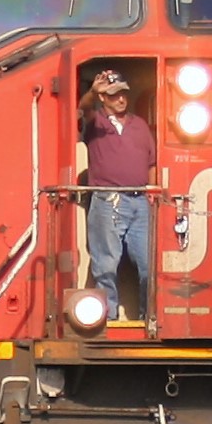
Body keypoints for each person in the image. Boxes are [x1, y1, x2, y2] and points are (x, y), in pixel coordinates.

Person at [78, 67, 155, 323]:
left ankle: (149, 316)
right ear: (103, 98)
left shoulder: (140, 125)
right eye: (113, 94)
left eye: (123, 93)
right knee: (106, 264)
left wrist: (152, 194)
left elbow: (151, 163)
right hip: (107, 199)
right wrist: (91, 92)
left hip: (140, 201)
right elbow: (82, 110)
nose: (120, 99)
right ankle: (107, 316)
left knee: (149, 264)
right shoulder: (94, 122)